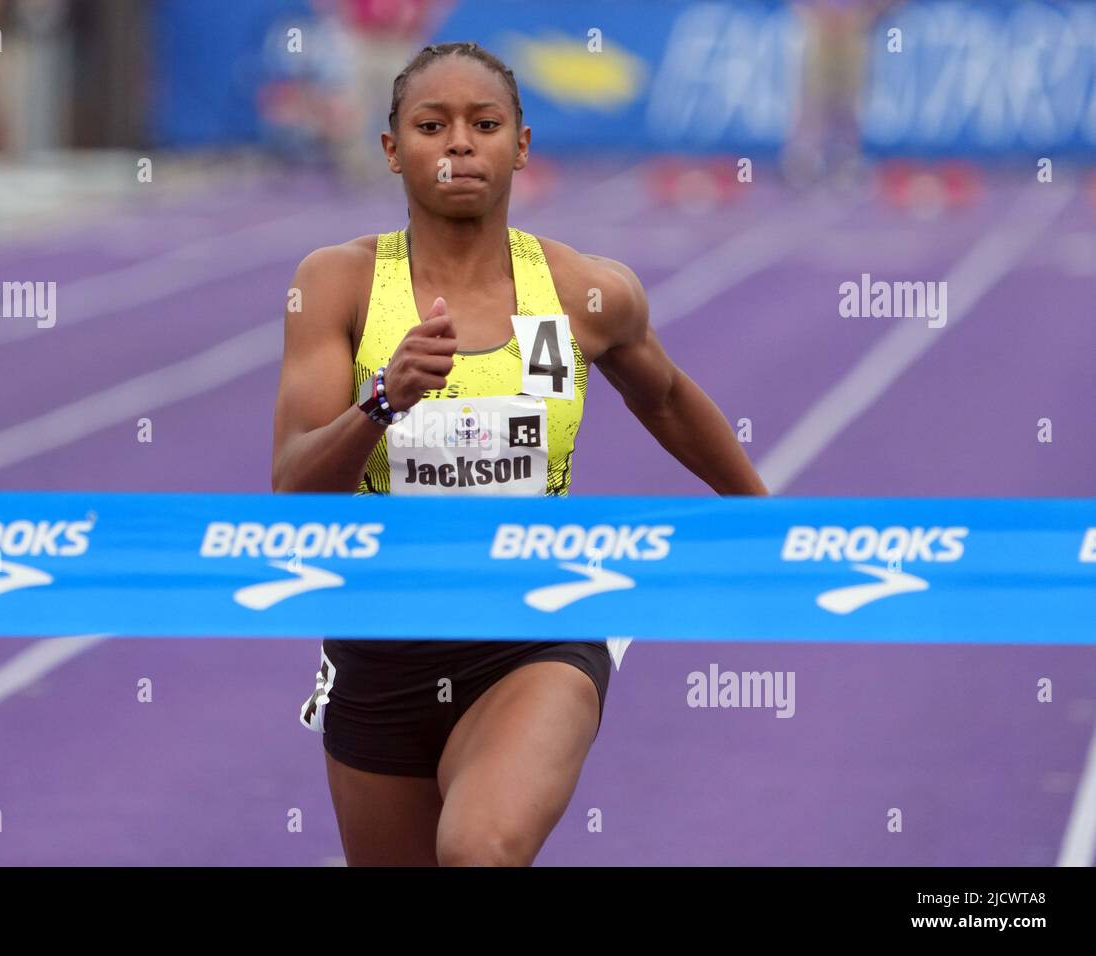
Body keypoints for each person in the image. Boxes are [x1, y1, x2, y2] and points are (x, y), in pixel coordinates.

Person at [271, 41, 767, 867]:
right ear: (393, 151)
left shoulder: (583, 291)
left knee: (481, 849)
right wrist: (383, 401)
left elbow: (669, 399)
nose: (459, 143)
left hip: (538, 624)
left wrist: (766, 520)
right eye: (432, 125)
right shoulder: (339, 286)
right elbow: (293, 490)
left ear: (521, 146)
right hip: (383, 633)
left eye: (484, 123)